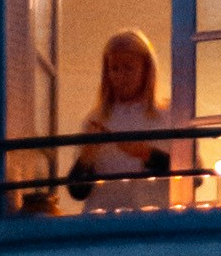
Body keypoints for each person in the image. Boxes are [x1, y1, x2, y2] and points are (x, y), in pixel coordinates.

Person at [67, 29, 177, 206]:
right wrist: (86, 157)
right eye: (114, 68)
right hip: (106, 222)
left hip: (155, 222)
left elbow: (194, 177)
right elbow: (77, 192)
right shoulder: (96, 119)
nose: (120, 76)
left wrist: (147, 154)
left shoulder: (168, 115)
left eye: (129, 68)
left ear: (146, 70)